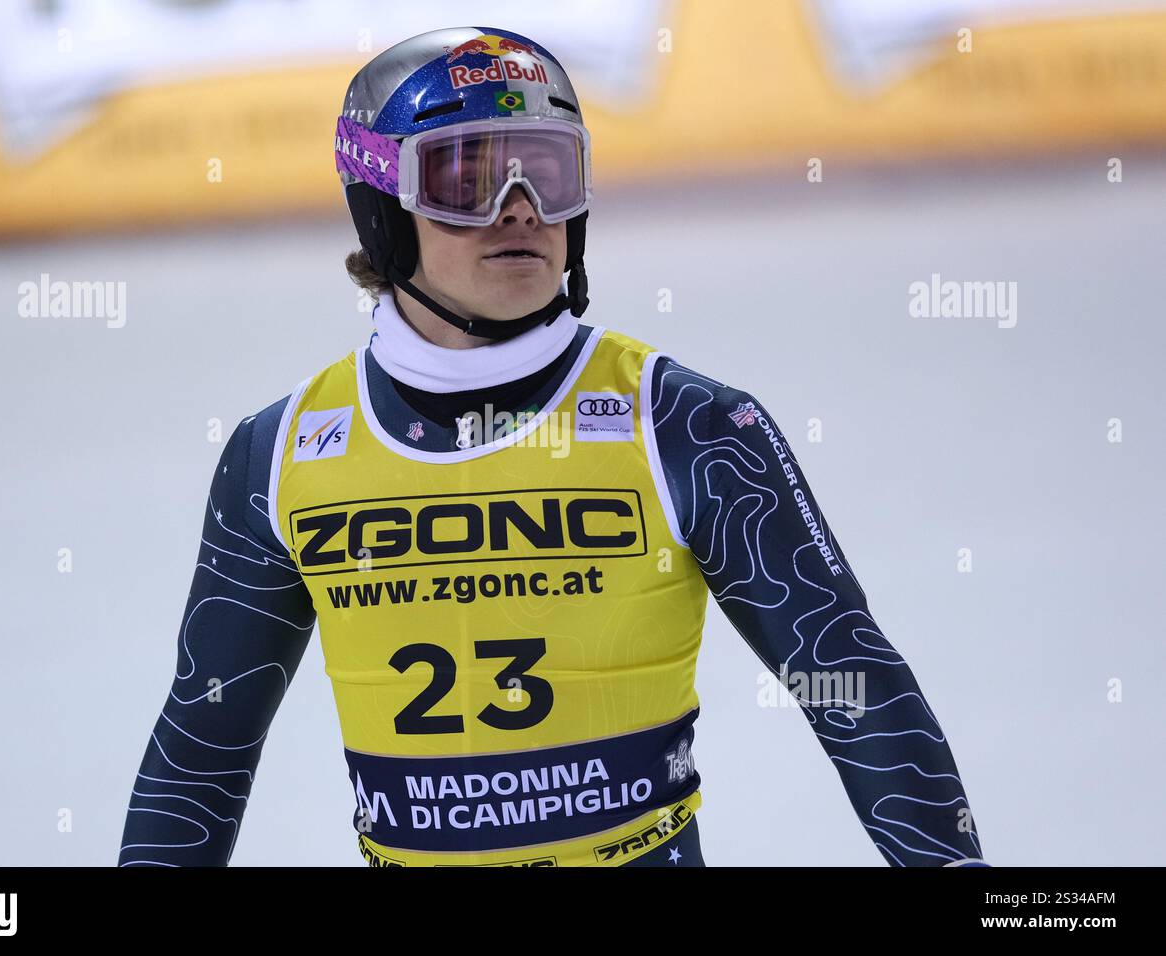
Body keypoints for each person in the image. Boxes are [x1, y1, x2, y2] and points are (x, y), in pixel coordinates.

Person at [119, 26, 986, 868]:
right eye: (470, 178)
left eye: (548, 170)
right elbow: (203, 746)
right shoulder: (280, 456)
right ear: (383, 210)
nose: (520, 209)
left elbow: (855, 689)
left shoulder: (688, 427)